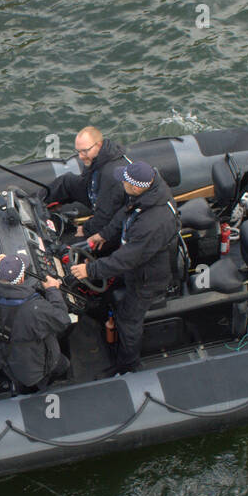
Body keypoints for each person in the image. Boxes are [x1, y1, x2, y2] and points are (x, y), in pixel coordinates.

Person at [69, 160, 179, 374]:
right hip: (136, 263)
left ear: (136, 187)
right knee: (107, 290)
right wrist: (104, 234)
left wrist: (90, 270)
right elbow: (125, 214)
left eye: (125, 181)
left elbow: (127, 259)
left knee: (128, 320)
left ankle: (128, 365)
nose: (121, 183)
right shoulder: (145, 195)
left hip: (146, 278)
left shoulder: (153, 223)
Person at [0, 253, 72, 392]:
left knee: (16, 376)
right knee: (63, 365)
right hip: (32, 366)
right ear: (21, 279)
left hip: (2, 354)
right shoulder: (34, 310)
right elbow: (62, 320)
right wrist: (52, 290)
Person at [42, 126, 127, 242]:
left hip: (112, 218)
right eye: (78, 151)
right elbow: (85, 180)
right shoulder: (96, 159)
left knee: (71, 241)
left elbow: (105, 215)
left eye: (85, 151)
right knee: (66, 181)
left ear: (98, 145)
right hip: (95, 191)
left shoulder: (111, 175)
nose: (81, 156)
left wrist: (85, 229)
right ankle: (36, 203)